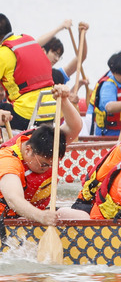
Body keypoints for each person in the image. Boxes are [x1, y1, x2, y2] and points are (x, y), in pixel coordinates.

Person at [0, 86, 83, 224]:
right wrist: (41, 216)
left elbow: (75, 126)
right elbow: (14, 199)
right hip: (7, 219)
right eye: (44, 164)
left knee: (75, 216)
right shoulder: (8, 161)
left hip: (36, 213)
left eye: (52, 164)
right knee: (23, 219)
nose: (48, 168)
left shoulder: (50, 142)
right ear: (28, 151)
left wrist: (63, 100)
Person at [0, 13, 57, 131]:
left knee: (3, 108)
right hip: (52, 111)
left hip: (26, 115)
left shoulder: (3, 53)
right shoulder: (29, 40)